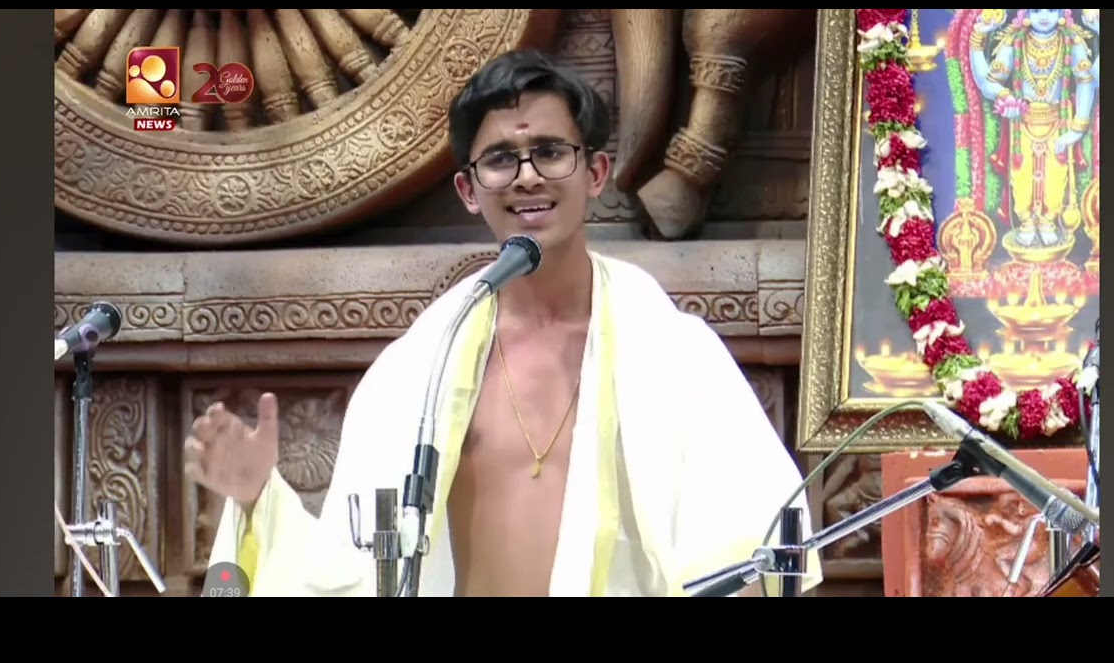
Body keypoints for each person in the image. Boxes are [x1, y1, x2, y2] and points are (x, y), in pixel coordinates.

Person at [184, 49, 821, 597]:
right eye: (500, 159)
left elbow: (761, 551)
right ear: (469, 189)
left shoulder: (676, 356)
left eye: (549, 152)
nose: (526, 177)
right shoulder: (418, 371)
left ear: (595, 172)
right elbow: (350, 577)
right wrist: (257, 497)